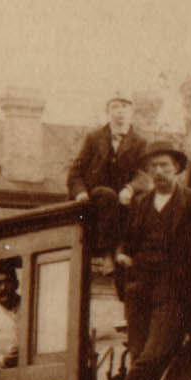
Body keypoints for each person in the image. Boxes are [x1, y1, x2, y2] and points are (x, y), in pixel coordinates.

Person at [105, 141, 191, 380]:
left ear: (177, 169)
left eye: (165, 166)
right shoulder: (142, 203)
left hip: (174, 291)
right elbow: (126, 243)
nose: (159, 172)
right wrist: (121, 257)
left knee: (153, 357)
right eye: (153, 167)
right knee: (142, 358)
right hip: (139, 290)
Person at [66, 90, 148, 256]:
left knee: (142, 202)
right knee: (107, 195)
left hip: (125, 197)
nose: (120, 111)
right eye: (115, 107)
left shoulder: (140, 142)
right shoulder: (94, 138)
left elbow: (144, 173)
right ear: (108, 112)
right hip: (96, 195)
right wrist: (80, 192)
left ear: (131, 113)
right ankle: (107, 253)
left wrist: (130, 188)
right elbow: (75, 172)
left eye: (124, 107)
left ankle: (131, 251)